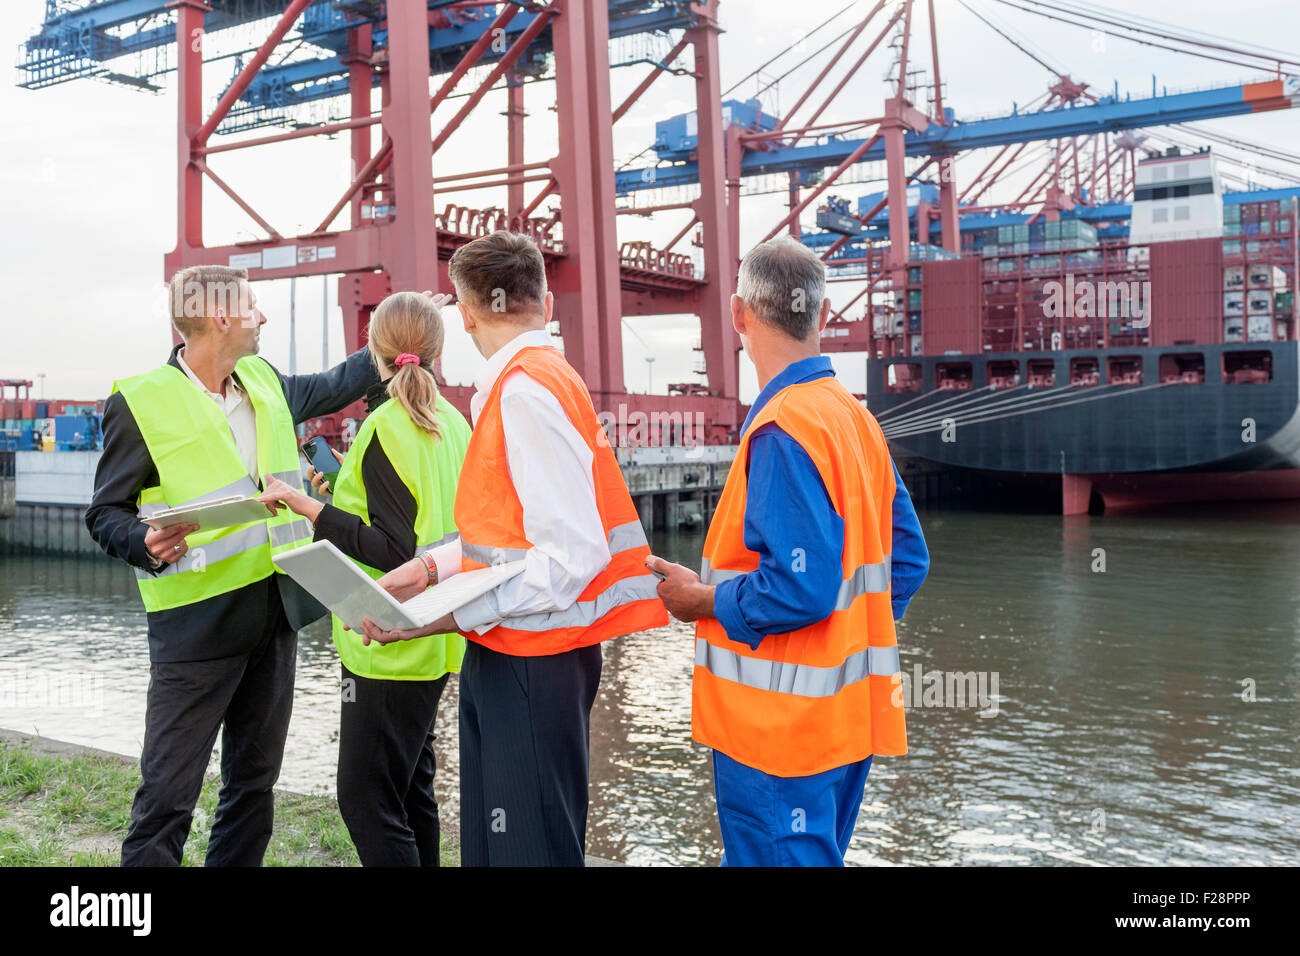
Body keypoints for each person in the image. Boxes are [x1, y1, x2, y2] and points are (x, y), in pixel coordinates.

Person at [358, 231, 668, 866]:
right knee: (499, 848)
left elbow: (565, 562)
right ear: (548, 304)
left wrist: (435, 617)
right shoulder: (535, 381)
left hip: (532, 656)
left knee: (525, 851)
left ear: (466, 315)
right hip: (516, 651)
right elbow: (505, 536)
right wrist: (425, 569)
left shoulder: (524, 391)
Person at [647, 237, 929, 867]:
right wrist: (846, 638)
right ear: (824, 317)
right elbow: (907, 562)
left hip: (778, 732)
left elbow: (800, 589)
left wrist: (702, 600)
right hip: (847, 720)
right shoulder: (853, 419)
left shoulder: (782, 427)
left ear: (738, 313)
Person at [86, 264, 379, 866]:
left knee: (253, 787)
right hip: (194, 626)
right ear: (220, 317)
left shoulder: (264, 381)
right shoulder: (141, 401)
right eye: (253, 307)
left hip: (274, 619)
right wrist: (143, 543)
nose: (263, 317)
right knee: (167, 798)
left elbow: (330, 384)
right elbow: (105, 511)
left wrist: (393, 338)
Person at [257, 291, 471, 867]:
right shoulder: (454, 422)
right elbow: (426, 524)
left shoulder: (385, 426)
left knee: (365, 801)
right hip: (438, 635)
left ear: (373, 355)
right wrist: (335, 499)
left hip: (386, 640)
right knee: (411, 791)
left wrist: (309, 508)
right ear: (437, 351)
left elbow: (390, 548)